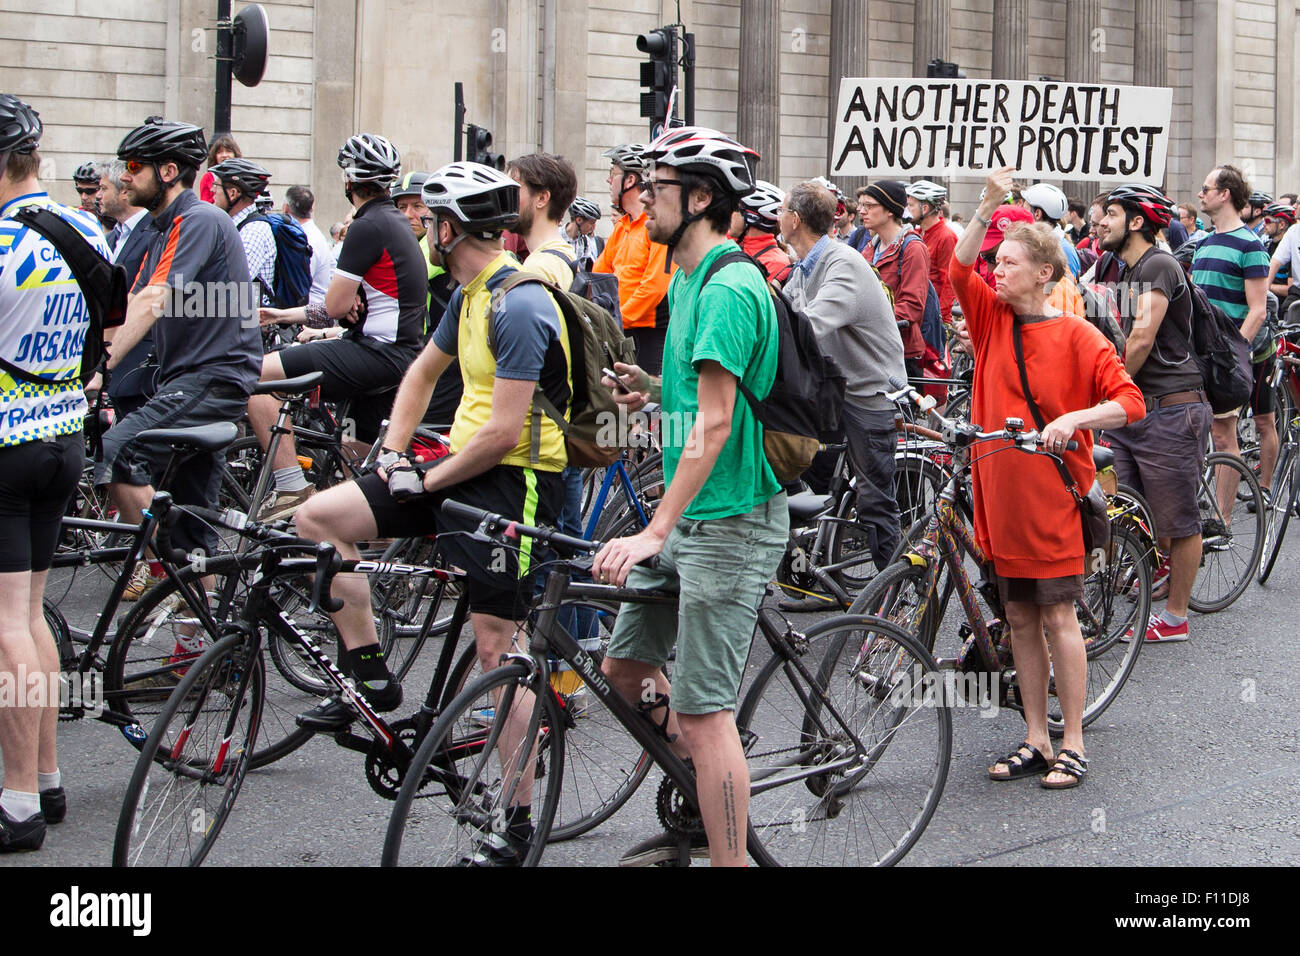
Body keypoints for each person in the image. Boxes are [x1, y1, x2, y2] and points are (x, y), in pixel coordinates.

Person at [293, 163, 574, 867]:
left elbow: (505, 433)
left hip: (514, 482)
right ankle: (368, 670)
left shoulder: (520, 303)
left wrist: (429, 478)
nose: (421, 226)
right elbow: (419, 374)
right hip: (451, 466)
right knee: (318, 520)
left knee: (496, 651)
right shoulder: (470, 294)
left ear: (454, 229)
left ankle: (514, 821)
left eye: (430, 218)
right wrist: (390, 457)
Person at [592, 126, 787, 867]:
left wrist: (652, 531)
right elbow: (690, 405)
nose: (641, 194)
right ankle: (702, 781)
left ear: (701, 198)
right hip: (689, 517)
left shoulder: (733, 287)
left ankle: (728, 853)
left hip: (730, 521)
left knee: (707, 714)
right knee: (622, 670)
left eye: (659, 186)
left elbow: (714, 422)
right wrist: (644, 392)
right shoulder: (686, 279)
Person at [951, 165, 1144, 791]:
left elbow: (1130, 403)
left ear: (1044, 273)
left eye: (1008, 263)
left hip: (1053, 499)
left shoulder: (1079, 335)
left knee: (1059, 615)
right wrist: (985, 206)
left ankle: (1074, 739)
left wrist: (1073, 418)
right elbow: (957, 268)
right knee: (1018, 617)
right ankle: (1035, 736)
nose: (995, 271)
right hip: (998, 498)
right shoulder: (989, 321)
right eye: (996, 261)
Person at [0, 94, 111, 852]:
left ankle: (14, 804)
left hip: (6, 443)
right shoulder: (84, 226)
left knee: (7, 623)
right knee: (30, 611)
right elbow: (112, 320)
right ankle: (44, 776)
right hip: (64, 435)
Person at [98, 117, 260, 606]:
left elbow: (154, 298)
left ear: (168, 171)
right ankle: (206, 642)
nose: (124, 177)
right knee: (193, 530)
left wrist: (96, 370)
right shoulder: (164, 225)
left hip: (213, 379)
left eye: (132, 167)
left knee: (115, 451)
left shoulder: (199, 219)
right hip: (195, 379)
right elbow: (127, 303)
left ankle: (160, 568)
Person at [251, 133, 426, 520]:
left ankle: (290, 486)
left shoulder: (366, 226)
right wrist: (284, 316)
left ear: (348, 182)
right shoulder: (395, 222)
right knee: (357, 462)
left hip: (375, 353)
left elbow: (333, 306)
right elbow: (344, 306)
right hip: (399, 356)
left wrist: (342, 305)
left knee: (255, 379)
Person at [1094, 184, 1211, 643]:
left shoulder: (1158, 264)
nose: (1100, 221)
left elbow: (1140, 339)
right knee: (1112, 503)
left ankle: (1175, 617)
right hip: (1136, 411)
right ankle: (1142, 572)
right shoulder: (1124, 269)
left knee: (1179, 522)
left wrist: (1110, 389)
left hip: (1171, 411)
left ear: (1137, 222)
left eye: (1111, 215)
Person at [780, 180, 907, 572]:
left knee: (875, 502)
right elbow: (783, 317)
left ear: (795, 220)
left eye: (781, 210)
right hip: (833, 392)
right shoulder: (804, 266)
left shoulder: (841, 264)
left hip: (869, 395)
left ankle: (898, 597)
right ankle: (810, 576)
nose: (776, 216)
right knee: (797, 478)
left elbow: (806, 327)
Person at [1191, 164, 1271, 519]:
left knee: (1224, 436)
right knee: (1195, 429)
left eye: (1206, 188)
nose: (1200, 194)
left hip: (1223, 356)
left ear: (1225, 194)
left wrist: (1233, 354)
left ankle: (1222, 519)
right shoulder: (1205, 242)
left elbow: (1258, 310)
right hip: (1196, 353)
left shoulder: (1251, 245)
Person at [594, 143, 673, 375]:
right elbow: (599, 276)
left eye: (613, 174)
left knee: (645, 408)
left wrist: (615, 323)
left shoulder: (654, 226)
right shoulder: (622, 227)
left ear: (629, 181)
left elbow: (654, 287)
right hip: (620, 330)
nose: (609, 181)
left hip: (649, 337)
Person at [98, 160, 155, 426]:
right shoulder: (111, 238)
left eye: (102, 188)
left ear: (123, 191)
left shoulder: (154, 231)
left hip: (142, 364)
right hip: (114, 360)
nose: (97, 196)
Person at [863, 179, 930, 379]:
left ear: (890, 210)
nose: (861, 210)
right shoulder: (870, 247)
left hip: (900, 352)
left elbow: (912, 307)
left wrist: (866, 320)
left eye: (869, 205)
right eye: (862, 205)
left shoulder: (912, 248)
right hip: (872, 347)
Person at [208, 157, 276, 306]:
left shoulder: (253, 232)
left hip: (249, 324)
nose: (212, 190)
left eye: (216, 185)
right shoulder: (237, 227)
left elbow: (229, 284)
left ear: (233, 193)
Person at [906, 179, 956, 324]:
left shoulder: (946, 237)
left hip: (933, 316)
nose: (908, 209)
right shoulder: (916, 232)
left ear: (925, 208)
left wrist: (940, 317)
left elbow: (948, 281)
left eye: (911, 205)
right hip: (918, 311)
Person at [727, 179, 794, 284]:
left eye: (735, 208)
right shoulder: (728, 246)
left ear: (751, 217)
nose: (730, 214)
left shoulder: (776, 263)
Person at [283, 184, 334, 306]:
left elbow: (298, 282)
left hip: (308, 312)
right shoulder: (315, 235)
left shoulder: (303, 239)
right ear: (311, 208)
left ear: (286, 208)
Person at [1020, 182, 1082, 278]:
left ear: (1037, 214)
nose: (1021, 212)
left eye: (1024, 208)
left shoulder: (1063, 250)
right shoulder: (1051, 244)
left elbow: (1067, 290)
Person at [198, 133, 239, 204]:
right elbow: (205, 204)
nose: (224, 155)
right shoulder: (208, 177)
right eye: (219, 152)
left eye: (228, 151)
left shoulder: (240, 175)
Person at [563, 196, 604, 265]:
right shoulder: (556, 236)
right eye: (591, 223)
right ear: (579, 220)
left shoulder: (585, 241)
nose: (593, 227)